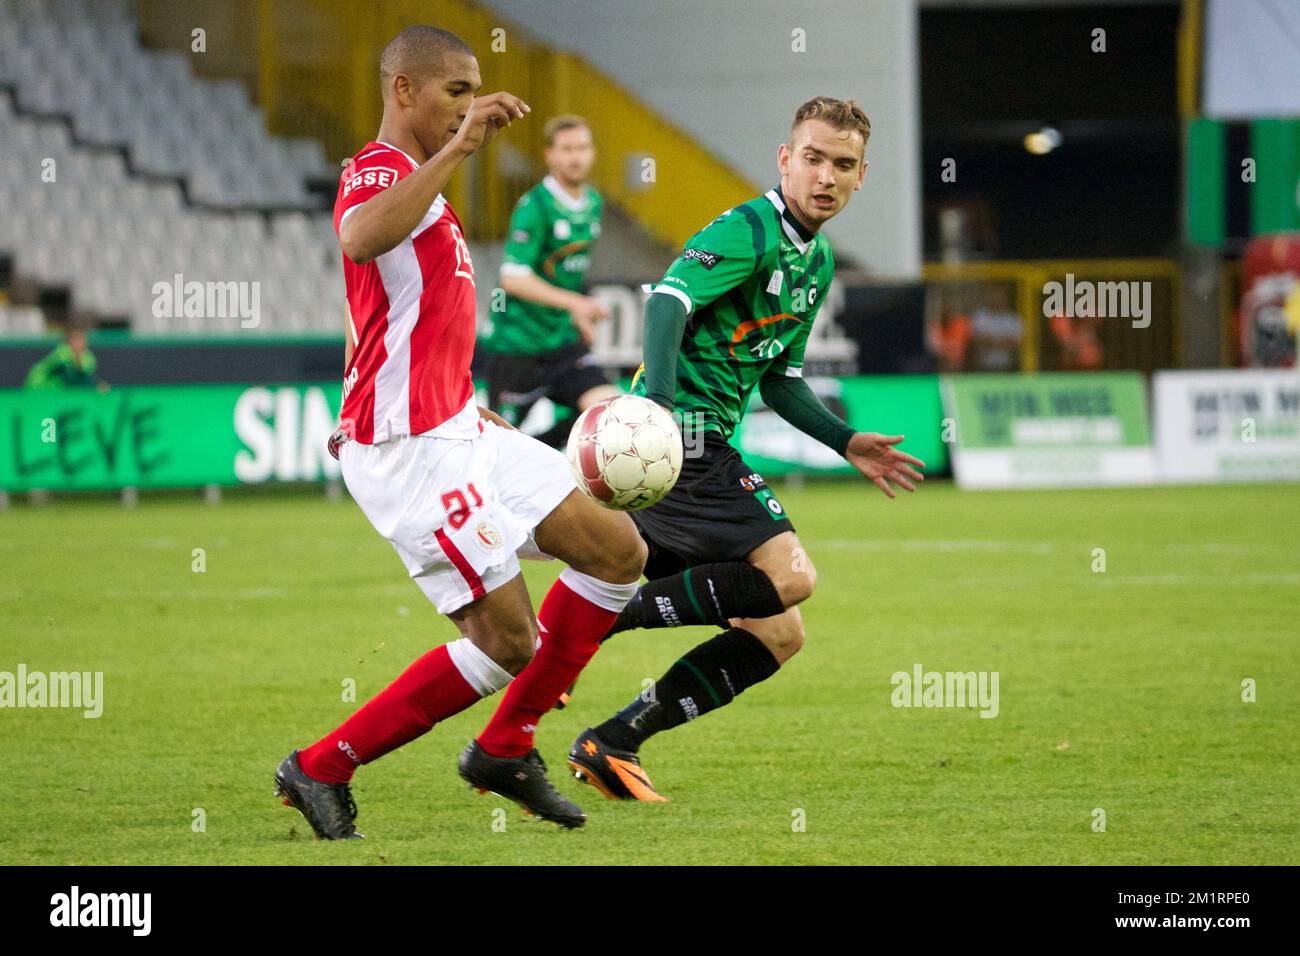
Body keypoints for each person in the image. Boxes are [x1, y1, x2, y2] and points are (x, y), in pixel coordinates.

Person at [273, 25, 646, 838]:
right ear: (403, 89)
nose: (469, 107)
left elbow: (376, 311)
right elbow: (357, 237)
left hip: (458, 423)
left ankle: (506, 746)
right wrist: (459, 151)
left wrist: (448, 393)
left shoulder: (425, 190)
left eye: (476, 92)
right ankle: (321, 765)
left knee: (618, 552)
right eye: (456, 90)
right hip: (410, 447)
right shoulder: (381, 170)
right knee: (514, 640)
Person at [566, 97, 926, 802]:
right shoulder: (749, 229)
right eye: (813, 158)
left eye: (842, 165)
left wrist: (846, 439)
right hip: (686, 443)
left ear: (861, 176)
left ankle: (613, 741)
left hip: (704, 446)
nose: (825, 176)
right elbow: (669, 297)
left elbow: (782, 380)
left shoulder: (815, 261)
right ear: (785, 160)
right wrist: (661, 411)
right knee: (792, 576)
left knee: (779, 633)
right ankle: (601, 618)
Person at [483, 115, 619, 447]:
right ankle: (521, 459)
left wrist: (574, 312)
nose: (576, 156)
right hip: (518, 346)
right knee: (499, 446)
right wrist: (577, 303)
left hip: (562, 343)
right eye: (567, 149)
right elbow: (513, 278)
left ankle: (543, 453)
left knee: (612, 414)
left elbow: (564, 276)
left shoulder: (593, 203)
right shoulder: (535, 206)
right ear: (550, 156)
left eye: (583, 148)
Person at [24, 324, 106, 390]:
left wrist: (98, 385)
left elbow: (85, 375)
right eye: (75, 339)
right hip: (38, 387)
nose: (79, 342)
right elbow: (69, 372)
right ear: (69, 341)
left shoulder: (88, 357)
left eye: (81, 339)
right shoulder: (62, 351)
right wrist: (96, 385)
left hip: (57, 392)